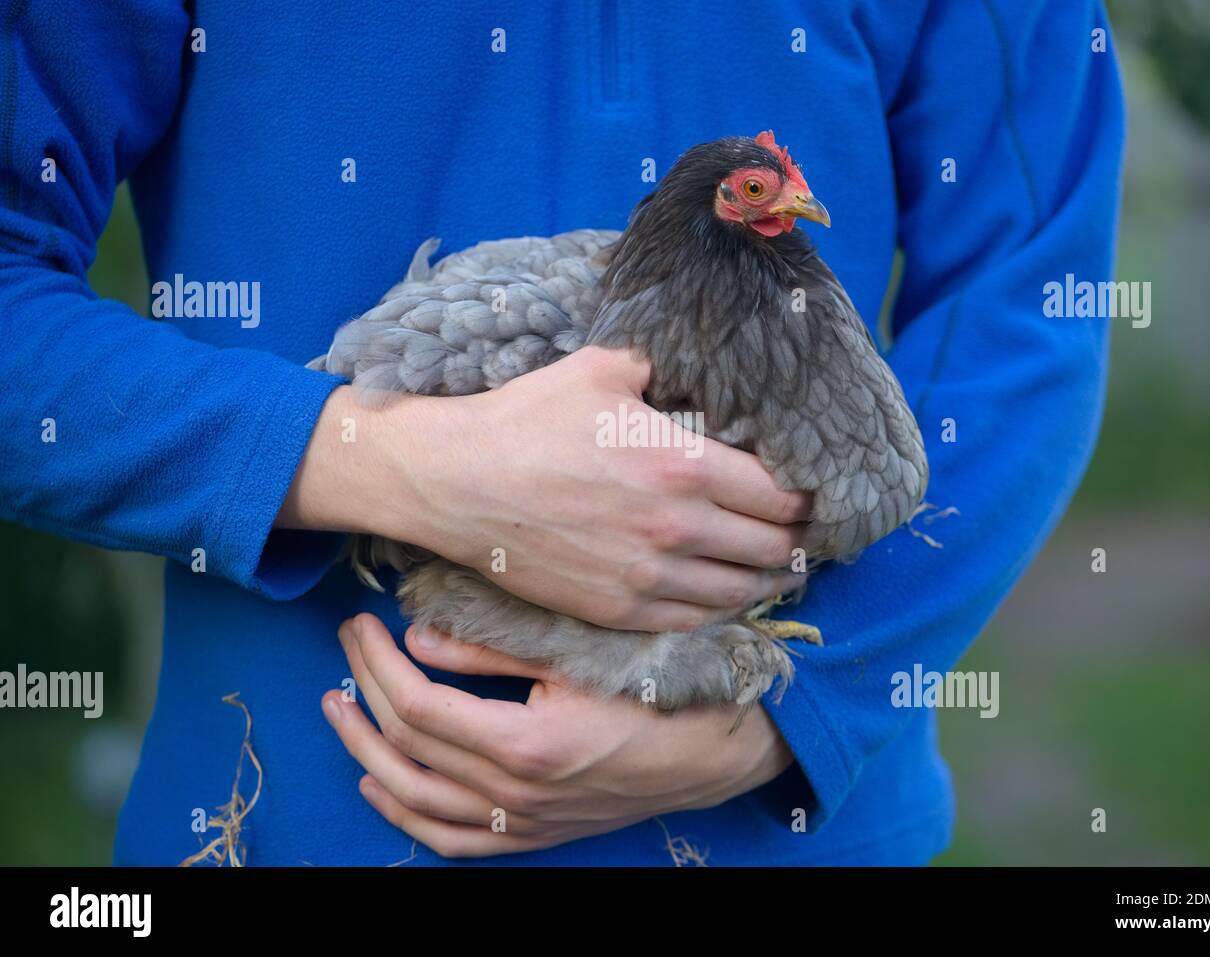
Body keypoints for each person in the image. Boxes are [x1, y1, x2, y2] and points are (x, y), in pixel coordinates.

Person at [0, 0, 1123, 865]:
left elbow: (1029, 303)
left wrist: (794, 710)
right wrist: (371, 462)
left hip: (791, 830)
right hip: (298, 809)